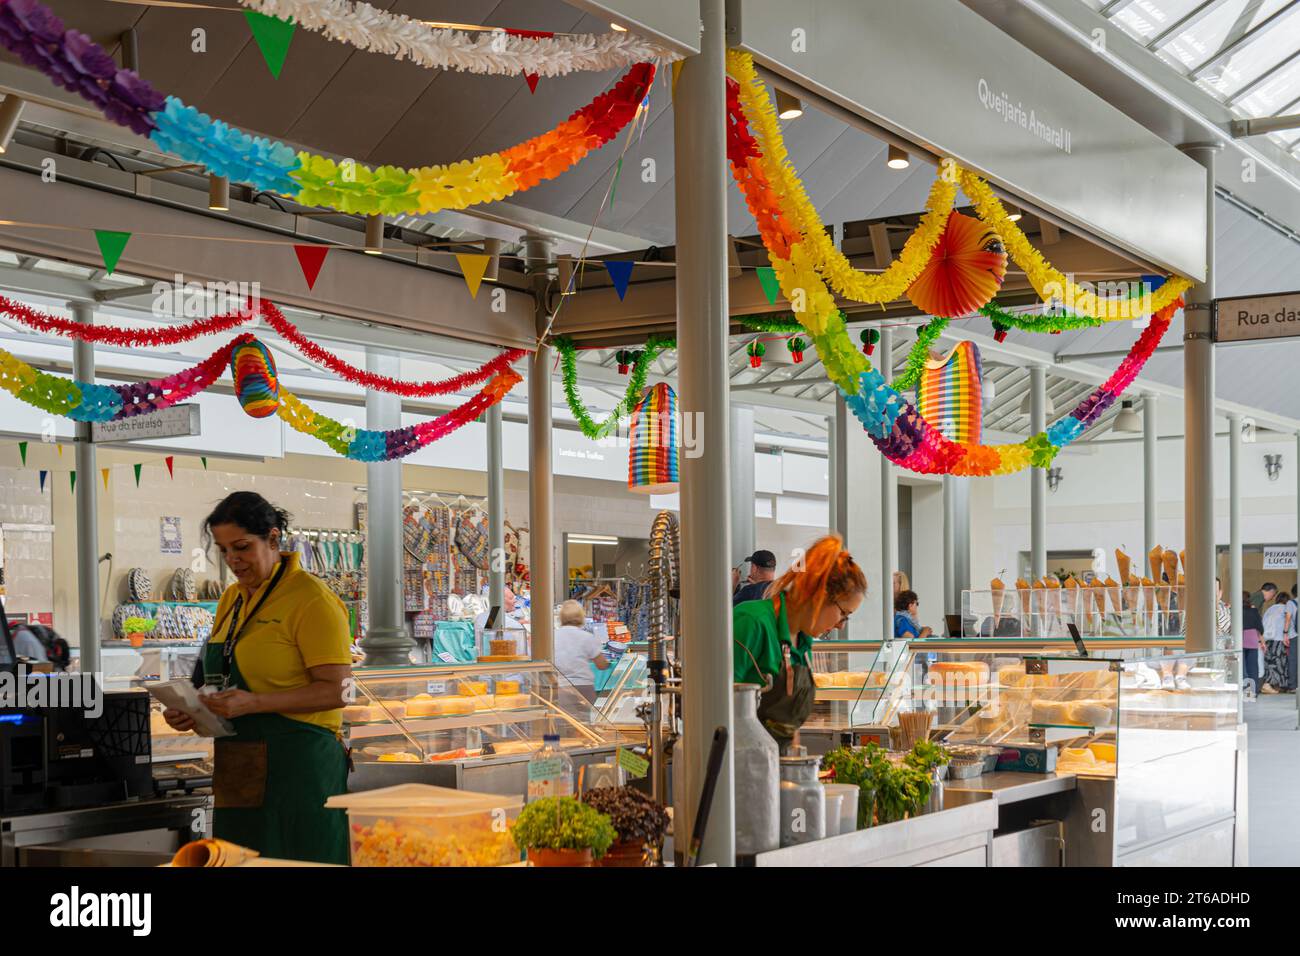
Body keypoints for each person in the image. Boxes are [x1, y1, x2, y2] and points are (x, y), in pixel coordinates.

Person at [163, 492, 353, 864]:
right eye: (224, 550)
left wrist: (256, 703)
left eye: (242, 547)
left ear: (273, 538)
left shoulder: (311, 600)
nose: (233, 560)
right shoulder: (231, 599)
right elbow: (220, 675)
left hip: (301, 768)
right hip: (238, 767)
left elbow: (339, 691)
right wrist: (196, 710)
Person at [732, 534, 866, 751]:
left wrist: (796, 769)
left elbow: (788, 726)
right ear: (820, 596)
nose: (842, 625)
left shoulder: (802, 644)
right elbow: (715, 710)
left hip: (776, 769)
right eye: (844, 614)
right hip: (738, 770)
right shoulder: (750, 622)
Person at [553, 600, 610, 703]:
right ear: (581, 616)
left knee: (563, 718)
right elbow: (601, 665)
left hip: (561, 687)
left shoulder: (552, 637)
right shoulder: (588, 637)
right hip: (584, 687)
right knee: (585, 718)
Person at [473, 585, 528, 655]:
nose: (515, 601)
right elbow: (522, 652)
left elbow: (489, 632)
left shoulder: (484, 616)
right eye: (511, 598)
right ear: (500, 600)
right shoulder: (510, 623)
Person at [1262, 590, 1291, 695]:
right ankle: (1277, 685)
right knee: (1280, 663)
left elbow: (1263, 623)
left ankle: (1269, 684)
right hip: (1280, 640)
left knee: (1270, 662)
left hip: (1268, 640)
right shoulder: (1286, 609)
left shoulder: (1270, 609)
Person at [1242, 591, 1264, 696]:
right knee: (1253, 667)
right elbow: (1260, 627)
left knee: (1242, 666)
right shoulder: (1253, 610)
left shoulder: (1235, 609)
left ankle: (1244, 689)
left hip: (1240, 638)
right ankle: (1253, 691)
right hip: (1252, 639)